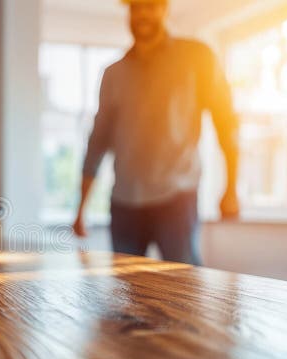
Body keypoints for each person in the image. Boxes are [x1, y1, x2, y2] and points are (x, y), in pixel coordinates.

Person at [72, 0, 240, 265]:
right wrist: (81, 208)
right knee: (125, 294)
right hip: (124, 201)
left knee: (183, 290)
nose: (142, 15)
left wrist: (231, 187)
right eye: (135, 8)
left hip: (177, 196)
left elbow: (226, 122)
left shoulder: (197, 57)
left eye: (150, 6)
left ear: (165, 9)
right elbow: (98, 141)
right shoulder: (113, 74)